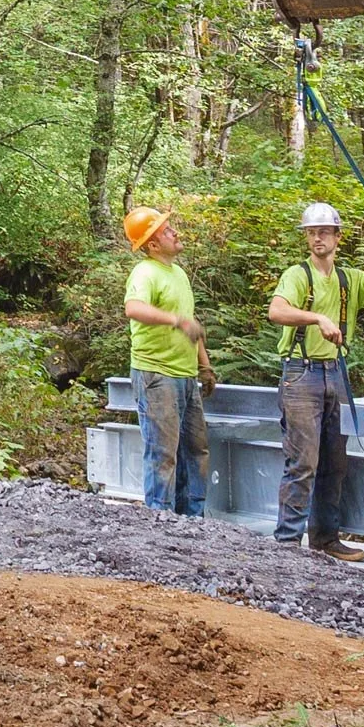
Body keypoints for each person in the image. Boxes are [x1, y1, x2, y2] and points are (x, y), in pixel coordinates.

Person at [265, 202, 364, 561]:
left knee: (334, 462)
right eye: (312, 233)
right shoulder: (297, 275)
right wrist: (317, 318)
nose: (318, 238)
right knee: (302, 462)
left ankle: (325, 540)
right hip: (301, 375)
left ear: (337, 237)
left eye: (324, 232)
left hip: (335, 373)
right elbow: (276, 311)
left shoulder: (350, 280)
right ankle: (287, 545)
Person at [122, 206, 216, 515]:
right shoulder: (145, 273)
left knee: (196, 450)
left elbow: (191, 324)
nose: (175, 232)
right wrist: (175, 320)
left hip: (185, 376)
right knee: (163, 453)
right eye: (166, 230)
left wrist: (204, 365)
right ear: (152, 244)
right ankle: (159, 519)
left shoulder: (179, 274)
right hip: (156, 375)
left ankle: (192, 519)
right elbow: (134, 308)